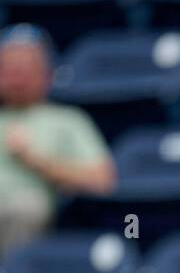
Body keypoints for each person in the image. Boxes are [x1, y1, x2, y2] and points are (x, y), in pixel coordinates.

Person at [0, 24, 115, 258]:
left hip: (27, 206)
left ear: (47, 73)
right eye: (9, 69)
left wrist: (35, 161)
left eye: (25, 68)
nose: (17, 77)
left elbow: (103, 180)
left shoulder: (68, 120)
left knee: (24, 209)